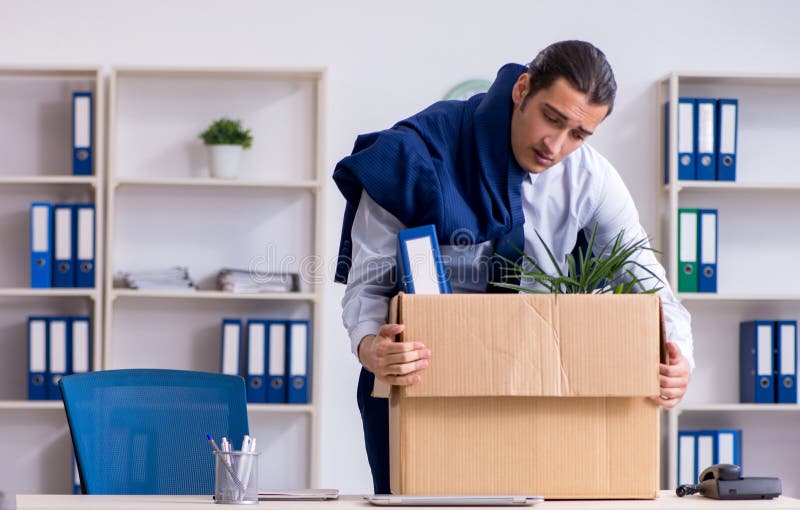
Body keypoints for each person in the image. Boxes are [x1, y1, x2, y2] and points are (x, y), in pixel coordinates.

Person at [333, 40, 693, 494]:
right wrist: (372, 349)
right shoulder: (411, 156)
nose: (556, 145)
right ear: (522, 88)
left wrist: (677, 355)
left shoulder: (590, 178)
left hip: (535, 384)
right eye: (552, 118)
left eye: (578, 134)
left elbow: (648, 282)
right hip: (421, 382)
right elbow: (367, 290)